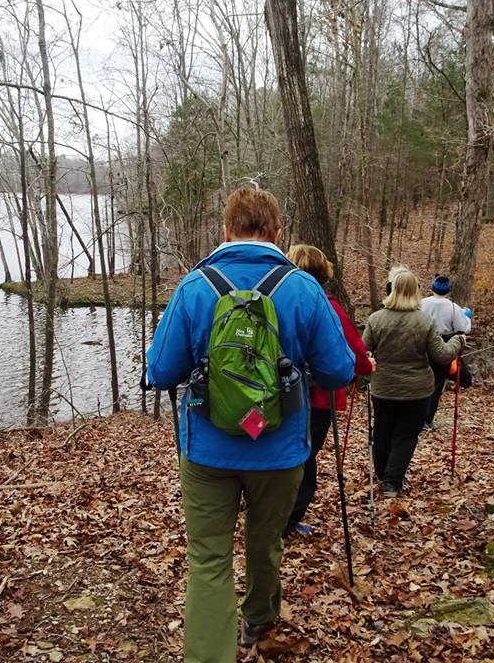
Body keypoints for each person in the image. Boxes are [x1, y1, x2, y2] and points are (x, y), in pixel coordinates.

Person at [145, 188, 355, 662]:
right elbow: (340, 371)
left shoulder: (195, 287)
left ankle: (209, 655)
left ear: (226, 229)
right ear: (276, 233)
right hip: (280, 451)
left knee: (208, 559)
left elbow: (160, 372)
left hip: (207, 451)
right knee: (265, 540)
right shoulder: (303, 288)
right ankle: (258, 616)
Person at [283, 244, 374, 538]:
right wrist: (367, 366)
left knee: (283, 450)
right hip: (318, 397)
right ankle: (288, 519)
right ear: (323, 273)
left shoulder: (276, 300)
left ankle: (271, 510)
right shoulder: (328, 306)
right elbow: (354, 350)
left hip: (278, 394)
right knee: (304, 457)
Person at [362, 271, 464, 497]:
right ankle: (391, 482)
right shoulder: (425, 321)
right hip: (416, 391)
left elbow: (362, 350)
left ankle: (383, 475)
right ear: (415, 291)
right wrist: (458, 340)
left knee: (382, 431)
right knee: (406, 435)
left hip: (383, 388)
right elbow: (442, 356)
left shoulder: (376, 319)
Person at [420, 274, 472, 431]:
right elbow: (464, 328)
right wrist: (466, 315)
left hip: (422, 344)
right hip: (443, 344)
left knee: (422, 382)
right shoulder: (453, 307)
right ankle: (427, 420)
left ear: (432, 288)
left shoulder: (422, 303)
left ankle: (419, 419)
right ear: (448, 291)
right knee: (436, 384)